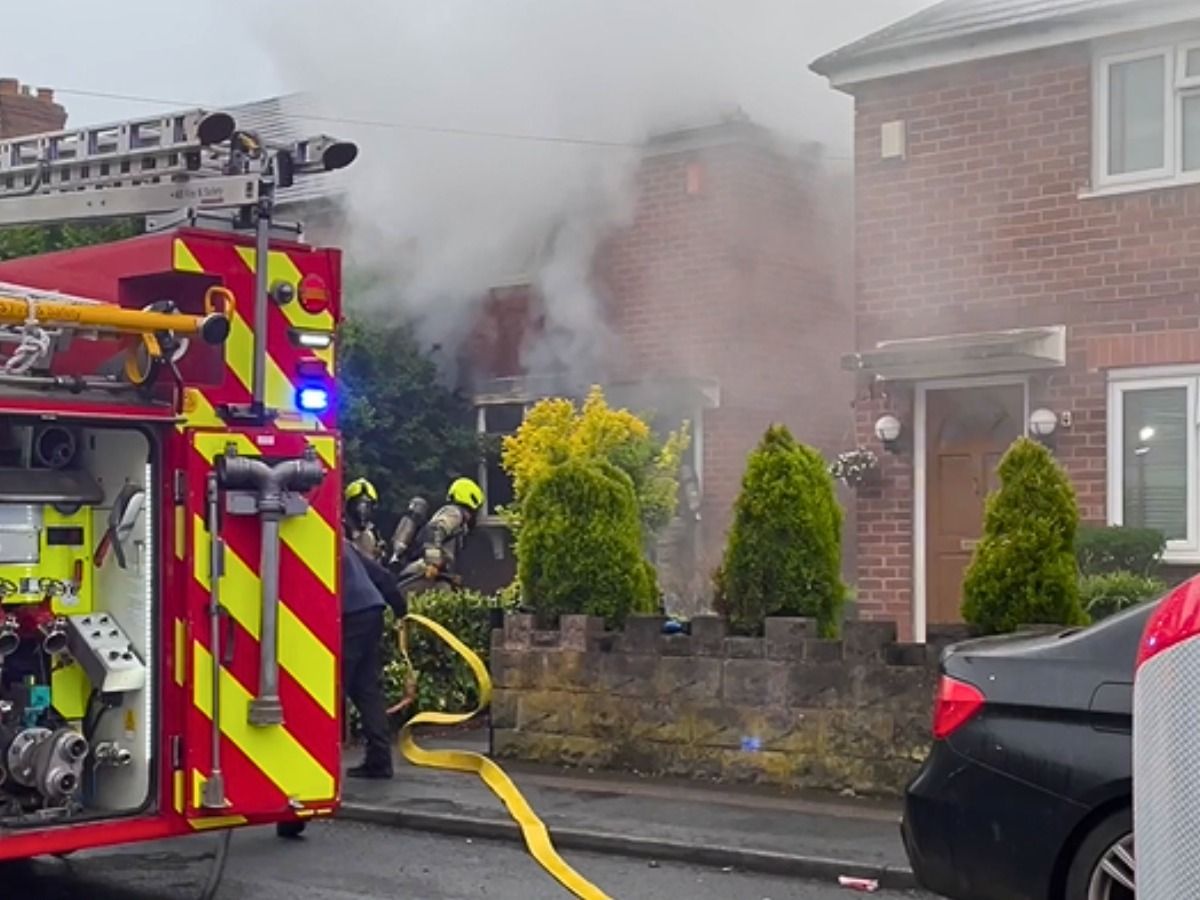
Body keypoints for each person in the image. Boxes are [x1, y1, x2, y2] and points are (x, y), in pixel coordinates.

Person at [394, 477, 484, 590]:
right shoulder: (454, 513)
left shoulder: (459, 523)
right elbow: (435, 530)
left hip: (429, 574)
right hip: (423, 573)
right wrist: (433, 562)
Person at [344, 477, 383, 560]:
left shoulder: (374, 535)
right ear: (348, 506)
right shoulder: (340, 531)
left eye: (367, 505)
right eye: (357, 503)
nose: (362, 509)